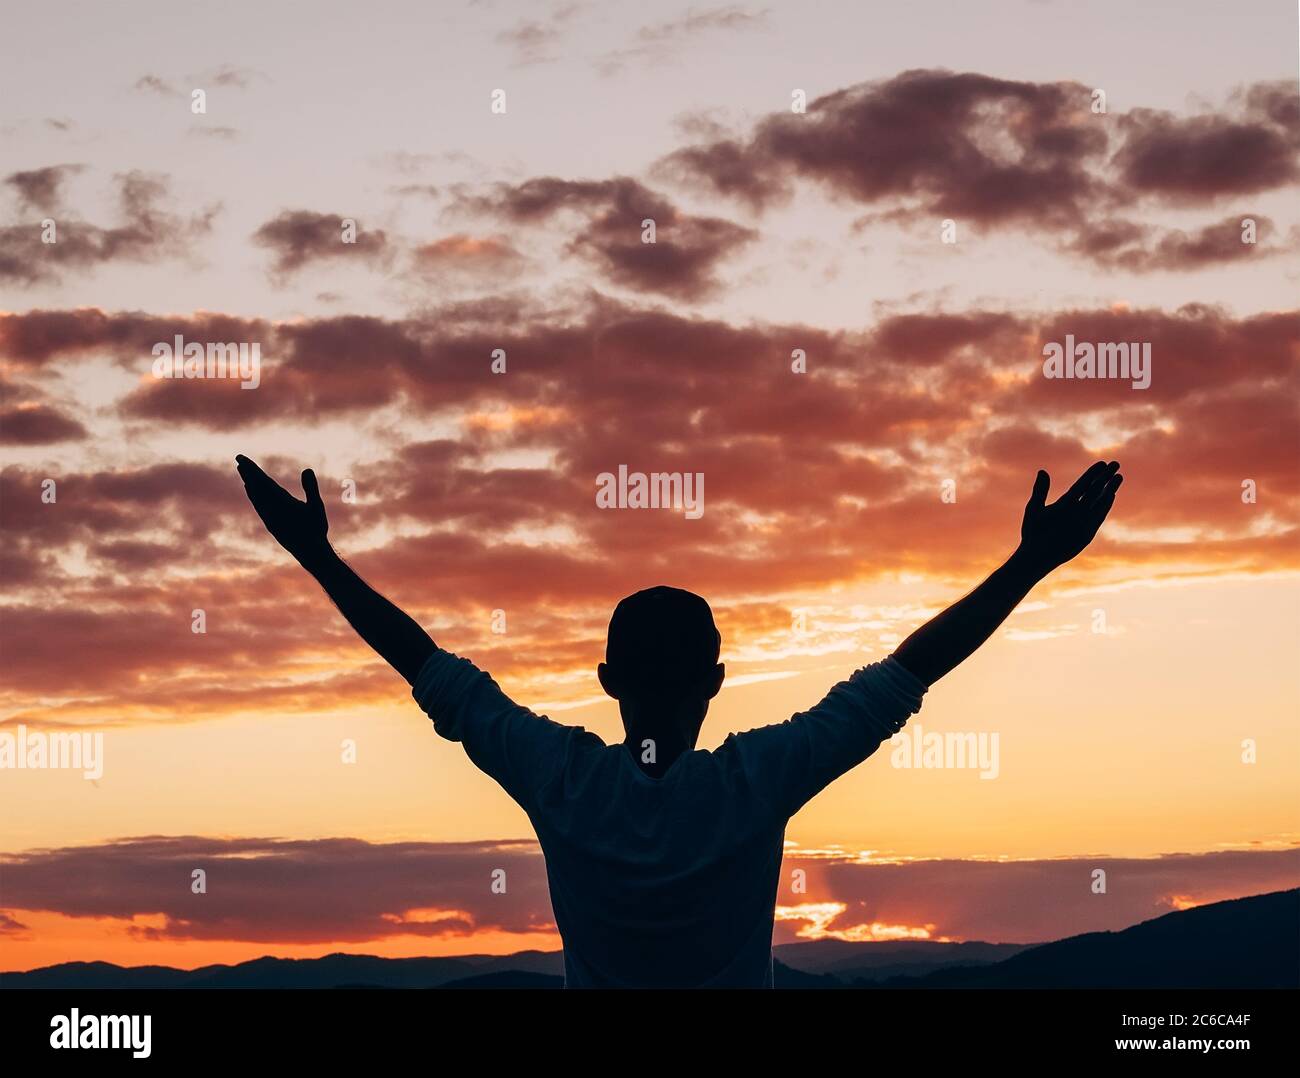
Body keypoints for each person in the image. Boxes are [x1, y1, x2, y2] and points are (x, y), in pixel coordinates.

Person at [236, 454, 1122, 987]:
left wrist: (319, 557)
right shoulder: (757, 781)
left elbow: (427, 666)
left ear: (607, 681)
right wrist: (1029, 565)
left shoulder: (560, 779)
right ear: (717, 682)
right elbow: (908, 671)